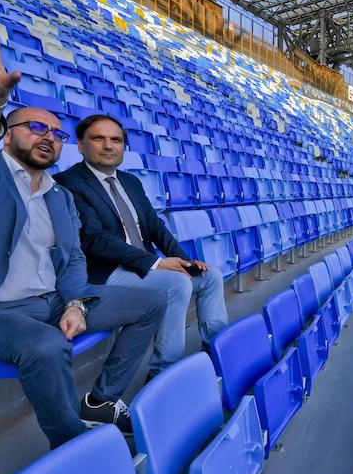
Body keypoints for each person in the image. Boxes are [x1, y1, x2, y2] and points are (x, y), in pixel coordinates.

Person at [0, 17, 166, 449]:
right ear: (6, 136)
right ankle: (72, 448)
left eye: (55, 132)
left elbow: (72, 258)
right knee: (48, 345)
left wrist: (76, 303)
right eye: (34, 127)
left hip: (50, 301)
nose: (48, 137)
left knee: (152, 300)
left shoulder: (60, 195)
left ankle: (102, 400)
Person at [54, 115, 228, 381]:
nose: (108, 146)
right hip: (105, 272)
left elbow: (155, 226)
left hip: (141, 266)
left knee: (211, 276)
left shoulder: (130, 181)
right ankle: (164, 373)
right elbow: (93, 238)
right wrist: (156, 263)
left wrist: (185, 261)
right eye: (98, 138)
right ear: (80, 145)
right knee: (176, 284)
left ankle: (219, 353)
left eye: (116, 140)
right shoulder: (68, 182)